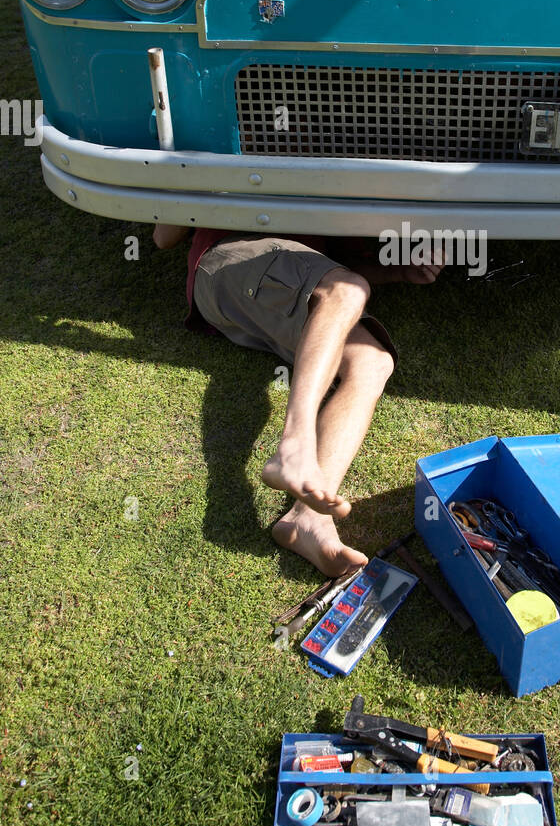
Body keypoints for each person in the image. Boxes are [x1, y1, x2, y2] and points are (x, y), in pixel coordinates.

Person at [152, 224, 442, 576]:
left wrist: (400, 270)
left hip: (278, 295)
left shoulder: (350, 183)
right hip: (226, 265)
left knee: (372, 363)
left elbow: (331, 268)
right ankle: (293, 447)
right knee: (349, 291)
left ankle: (308, 520)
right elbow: (163, 237)